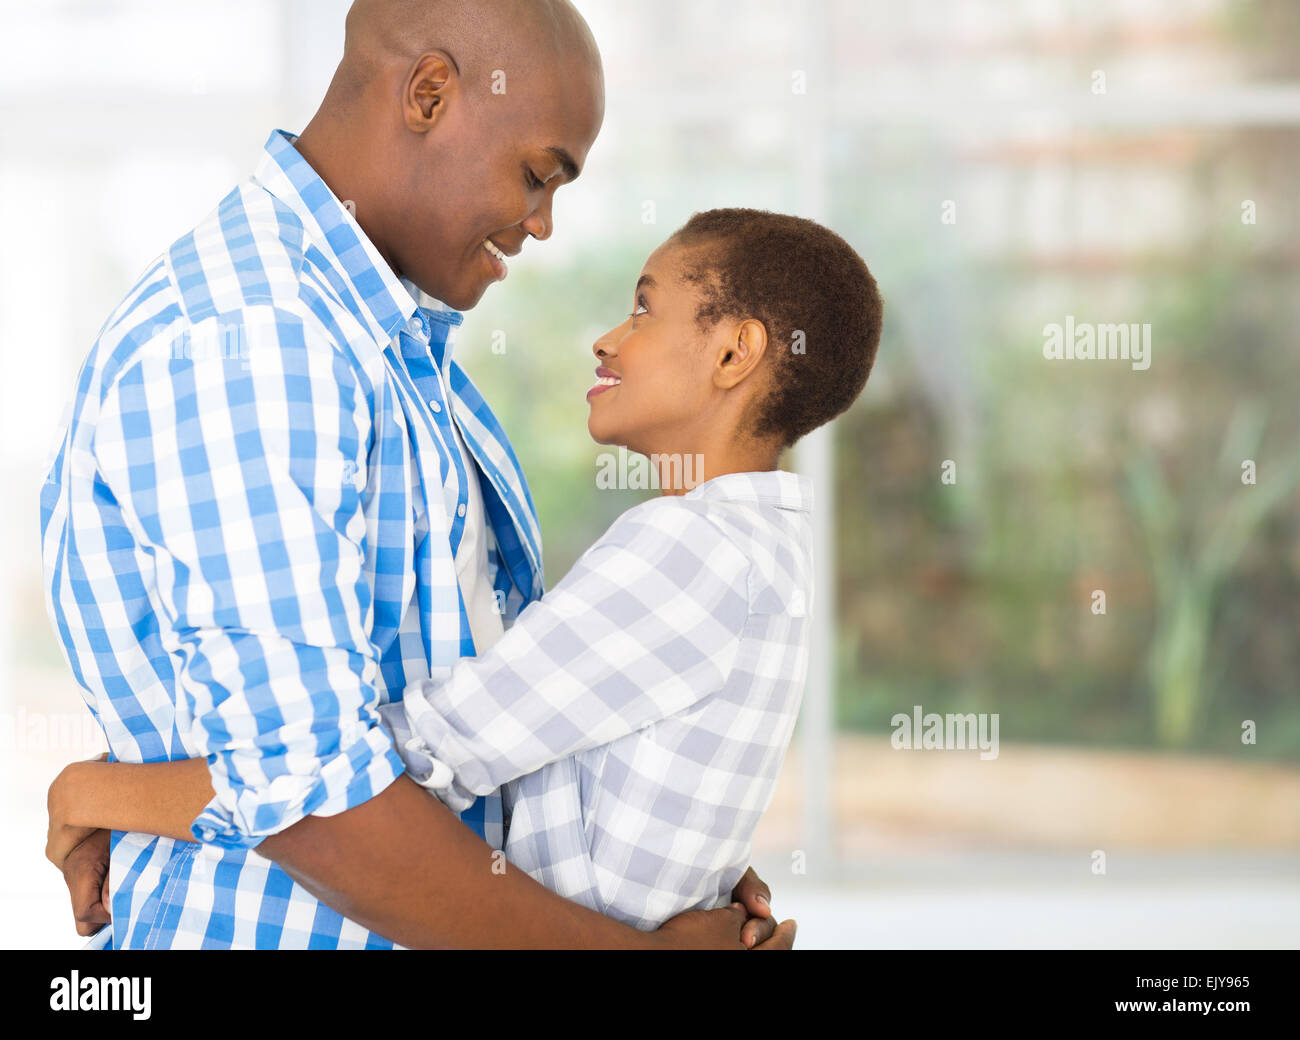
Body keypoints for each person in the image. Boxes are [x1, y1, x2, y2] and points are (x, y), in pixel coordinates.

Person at [39, 0, 788, 949]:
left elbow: (465, 716)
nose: (544, 223)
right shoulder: (253, 345)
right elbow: (318, 807)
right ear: (429, 94)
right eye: (536, 174)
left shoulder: (390, 347)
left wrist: (667, 858)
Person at [47, 209, 885, 931]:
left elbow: (407, 759)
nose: (609, 339)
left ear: (736, 353)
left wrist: (95, 793)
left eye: (642, 310)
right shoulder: (768, 550)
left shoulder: (686, 548)